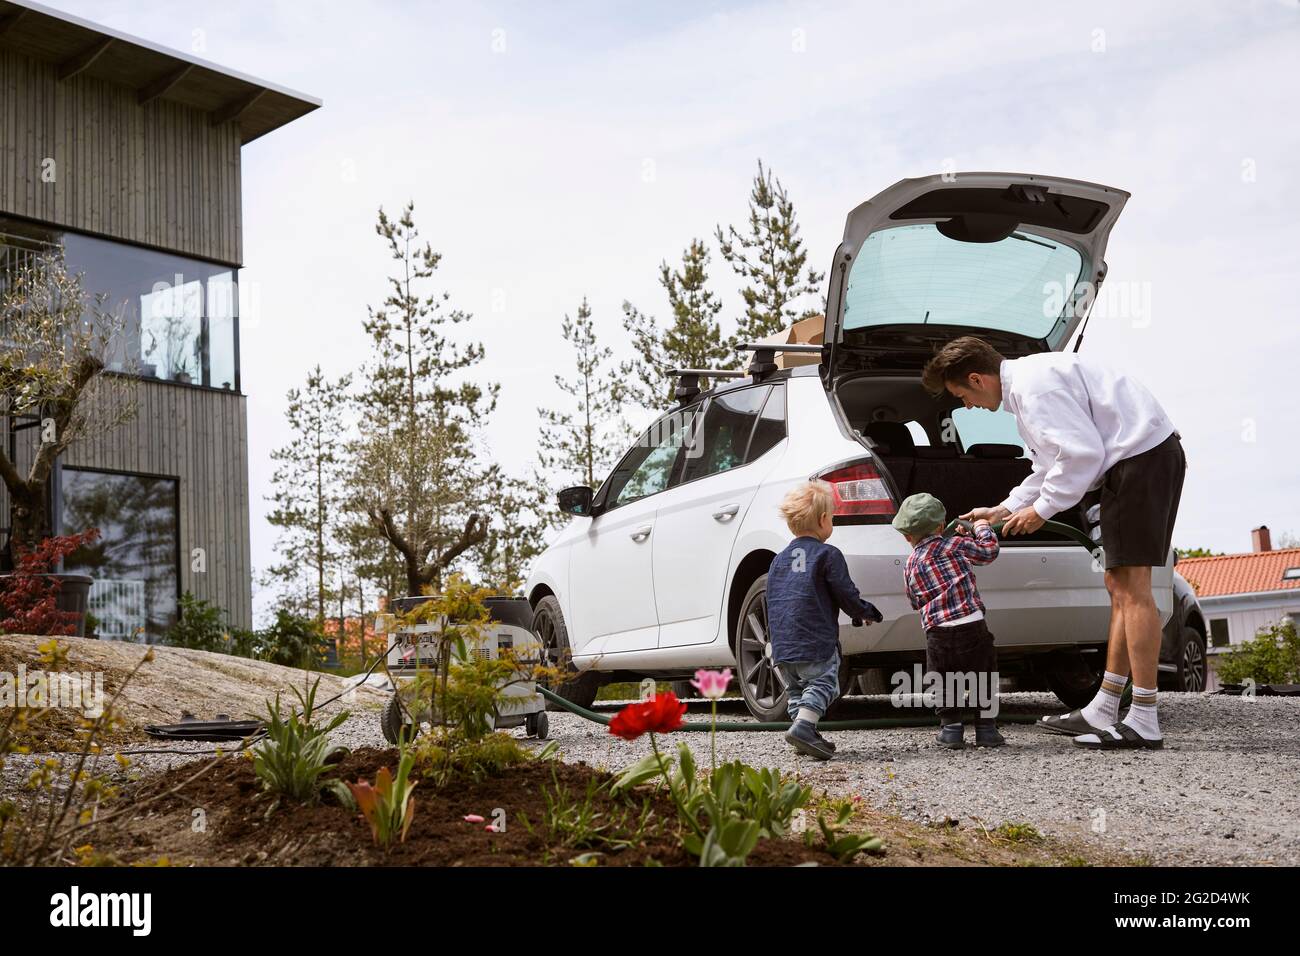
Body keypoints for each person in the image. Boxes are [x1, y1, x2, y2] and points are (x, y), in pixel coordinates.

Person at [922, 336, 1185, 750]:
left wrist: (1041, 511)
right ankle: (1104, 707)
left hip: (1140, 461)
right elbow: (1050, 464)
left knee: (1134, 589)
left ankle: (1145, 719)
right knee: (1118, 587)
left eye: (962, 395)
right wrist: (1003, 509)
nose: (966, 406)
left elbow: (1081, 454)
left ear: (977, 378)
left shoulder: (1035, 388)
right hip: (1129, 464)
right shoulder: (1026, 390)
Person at [768, 480, 883, 760]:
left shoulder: (778, 560)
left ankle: (802, 730)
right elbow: (845, 592)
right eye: (831, 517)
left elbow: (771, 599)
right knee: (823, 684)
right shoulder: (827, 554)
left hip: (782, 646)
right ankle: (805, 728)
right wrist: (864, 611)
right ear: (822, 520)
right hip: (815, 643)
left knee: (797, 689)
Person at [893, 493, 1005, 749]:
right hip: (972, 625)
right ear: (941, 526)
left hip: (937, 632)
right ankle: (986, 729)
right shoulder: (954, 545)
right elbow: (989, 552)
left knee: (942, 678)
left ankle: (951, 729)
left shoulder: (910, 563)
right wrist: (982, 527)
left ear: (907, 536)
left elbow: (914, 600)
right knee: (983, 675)